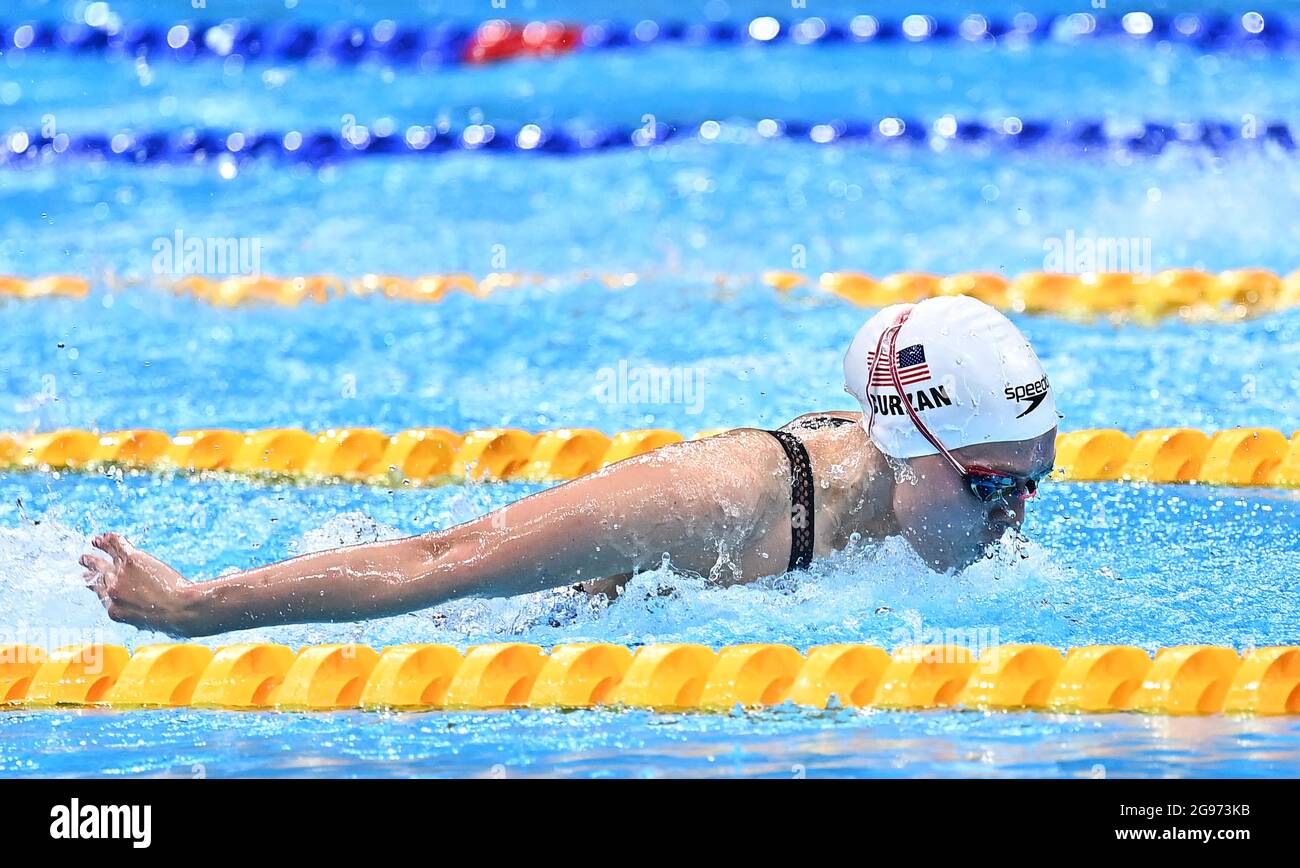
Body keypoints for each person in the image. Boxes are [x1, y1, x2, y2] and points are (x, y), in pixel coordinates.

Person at [81, 295, 1058, 638]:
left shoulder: (920, 491)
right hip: (480, 628)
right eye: (989, 486)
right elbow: (442, 560)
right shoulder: (725, 498)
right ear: (900, 444)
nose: (1013, 517)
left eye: (1029, 481)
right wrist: (192, 607)